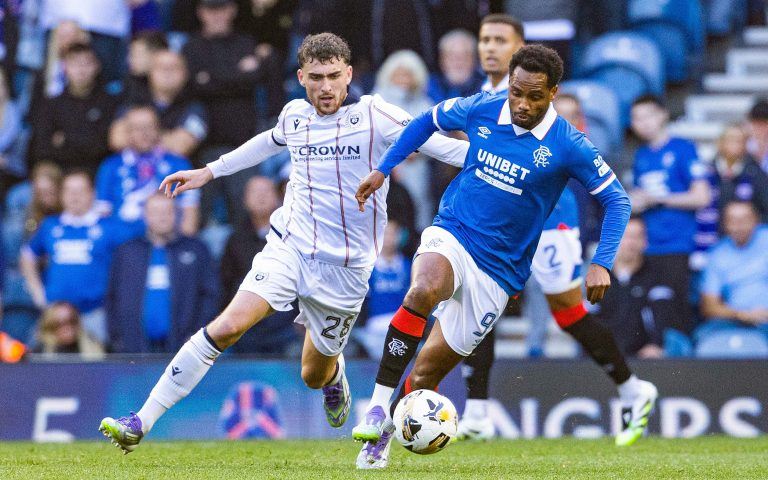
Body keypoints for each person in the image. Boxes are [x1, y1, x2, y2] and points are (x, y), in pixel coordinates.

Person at [98, 32, 469, 455]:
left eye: (333, 76)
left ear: (348, 75)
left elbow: (443, 148)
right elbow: (269, 141)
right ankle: (139, 422)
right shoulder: (295, 114)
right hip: (288, 248)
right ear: (301, 77)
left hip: (345, 269)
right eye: (316, 77)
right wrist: (209, 171)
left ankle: (333, 378)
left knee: (313, 372)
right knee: (228, 326)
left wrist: (498, 161)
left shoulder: (376, 116)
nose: (325, 87)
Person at [351, 44, 646, 468]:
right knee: (425, 287)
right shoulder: (483, 106)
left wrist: (601, 260)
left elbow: (617, 200)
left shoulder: (569, 144)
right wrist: (384, 168)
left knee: (428, 372)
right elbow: (424, 122)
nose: (522, 104)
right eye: (516, 92)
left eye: (534, 96)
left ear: (553, 93)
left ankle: (391, 430)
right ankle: (377, 414)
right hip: (454, 230)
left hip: (499, 272)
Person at [433, 13, 658, 446]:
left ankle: (633, 387)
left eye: (500, 40)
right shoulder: (482, 100)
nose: (489, 48)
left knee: (567, 311)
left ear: (520, 48)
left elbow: (574, 156)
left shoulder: (539, 97)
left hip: (551, 222)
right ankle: (477, 411)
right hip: (497, 223)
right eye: (484, 40)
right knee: (479, 297)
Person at [19, 171, 139, 345]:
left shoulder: (109, 228)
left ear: (92, 193)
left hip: (94, 313)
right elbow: (27, 255)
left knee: (99, 365)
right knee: (37, 360)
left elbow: (136, 254)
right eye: (69, 191)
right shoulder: (50, 226)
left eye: (80, 190)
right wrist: (38, 293)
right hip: (55, 315)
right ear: (61, 195)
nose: (75, 196)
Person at [629, 95, 711, 318]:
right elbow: (639, 197)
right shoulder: (641, 155)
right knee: (651, 310)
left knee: (674, 310)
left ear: (662, 115)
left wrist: (660, 199)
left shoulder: (683, 148)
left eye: (647, 116)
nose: (642, 123)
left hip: (677, 244)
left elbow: (702, 197)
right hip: (647, 245)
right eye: (636, 118)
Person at [106, 193, 219, 354]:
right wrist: (118, 338)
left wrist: (199, 335)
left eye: (168, 211)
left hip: (185, 347)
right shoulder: (127, 252)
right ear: (145, 216)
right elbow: (112, 297)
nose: (162, 217)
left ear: (177, 214)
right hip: (133, 348)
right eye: (156, 212)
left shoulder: (197, 249)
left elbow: (210, 296)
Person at [219, 176, 298, 355]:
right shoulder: (235, 240)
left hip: (286, 328)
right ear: (245, 200)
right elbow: (225, 284)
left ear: (279, 198)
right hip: (244, 326)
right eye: (255, 192)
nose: (261, 197)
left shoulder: (294, 237)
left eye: (266, 191)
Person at [95, 105, 200, 235]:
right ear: (127, 132)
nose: (144, 133)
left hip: (167, 241)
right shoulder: (110, 166)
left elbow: (189, 212)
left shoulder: (179, 164)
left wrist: (181, 246)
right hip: (123, 244)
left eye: (149, 127)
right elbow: (102, 214)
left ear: (158, 129)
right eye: (137, 128)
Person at [592, 217, 680, 357]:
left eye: (636, 237)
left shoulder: (657, 276)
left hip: (644, 356)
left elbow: (662, 315)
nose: (630, 243)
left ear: (645, 241)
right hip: (605, 357)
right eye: (625, 236)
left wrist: (656, 345)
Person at [30, 42, 121, 174]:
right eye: (75, 64)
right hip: (60, 170)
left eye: (86, 63)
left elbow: (105, 146)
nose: (81, 70)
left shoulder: (109, 103)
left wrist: (65, 140)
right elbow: (41, 148)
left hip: (97, 170)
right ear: (65, 67)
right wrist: (85, 139)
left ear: (97, 66)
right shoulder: (51, 105)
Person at [110, 50, 208, 158]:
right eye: (160, 67)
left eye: (174, 67)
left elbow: (181, 146)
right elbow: (118, 139)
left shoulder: (195, 106)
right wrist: (167, 137)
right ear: (150, 73)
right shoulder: (133, 101)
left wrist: (138, 133)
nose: (167, 72)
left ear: (185, 74)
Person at [699, 201, 768, 336]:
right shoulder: (716, 254)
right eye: (733, 220)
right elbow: (709, 306)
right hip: (733, 320)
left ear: (756, 220)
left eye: (745, 219)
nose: (739, 225)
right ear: (724, 224)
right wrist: (742, 315)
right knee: (703, 336)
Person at [426, 29, 485, 104]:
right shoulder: (427, 88)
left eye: (464, 56)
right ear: (442, 60)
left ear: (474, 59)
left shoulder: (488, 89)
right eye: (452, 55)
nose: (458, 62)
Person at [32, 302, 104, 358]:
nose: (67, 328)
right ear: (49, 327)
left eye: (72, 321)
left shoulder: (96, 346)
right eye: (59, 323)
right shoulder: (39, 354)